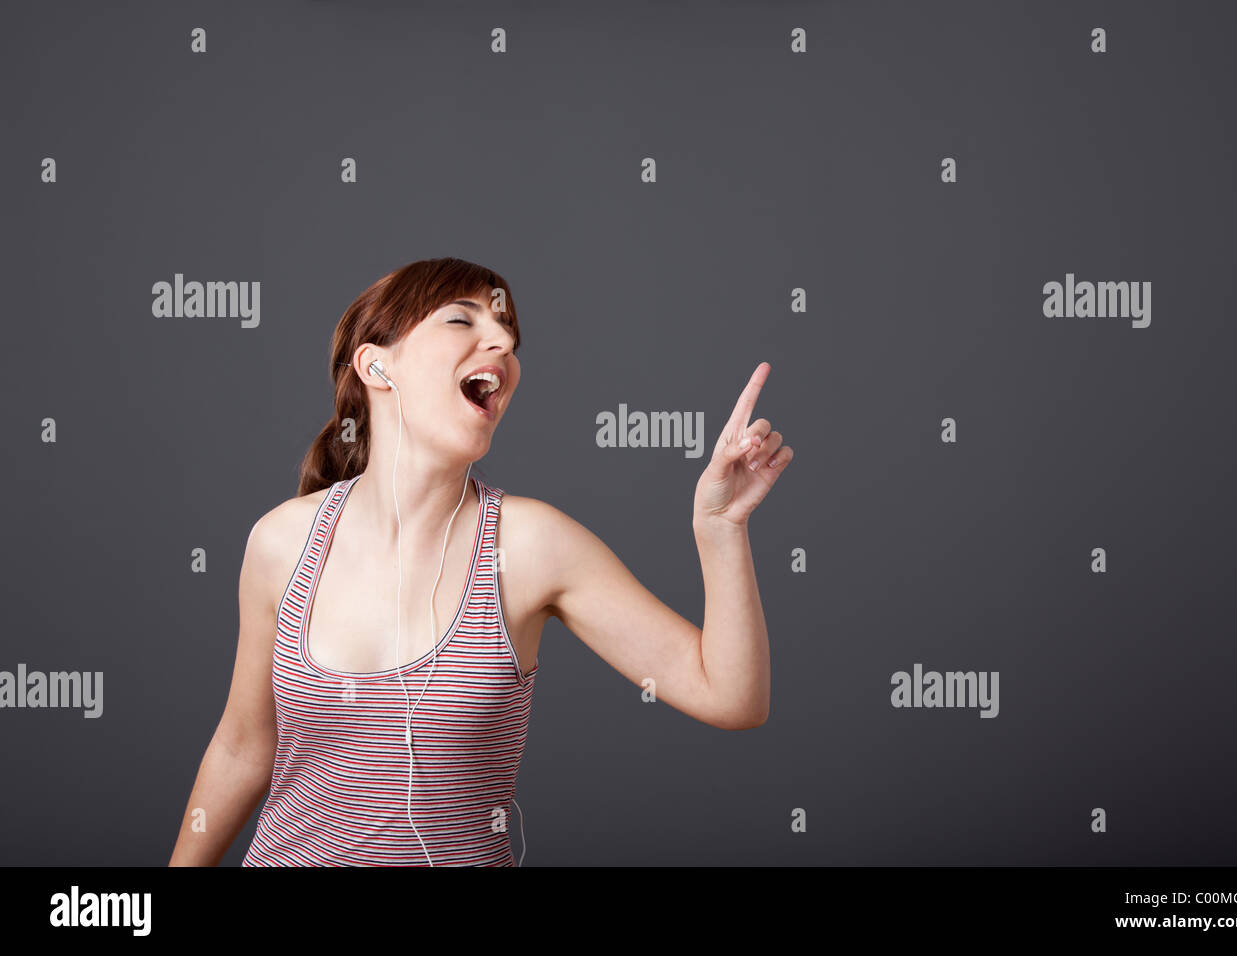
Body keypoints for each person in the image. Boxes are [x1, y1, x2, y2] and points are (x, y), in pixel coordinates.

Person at [167, 256, 793, 866]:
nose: (502, 344)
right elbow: (244, 748)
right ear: (377, 366)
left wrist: (721, 529)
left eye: (509, 337)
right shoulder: (282, 543)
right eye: (462, 320)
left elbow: (733, 698)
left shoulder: (531, 546)